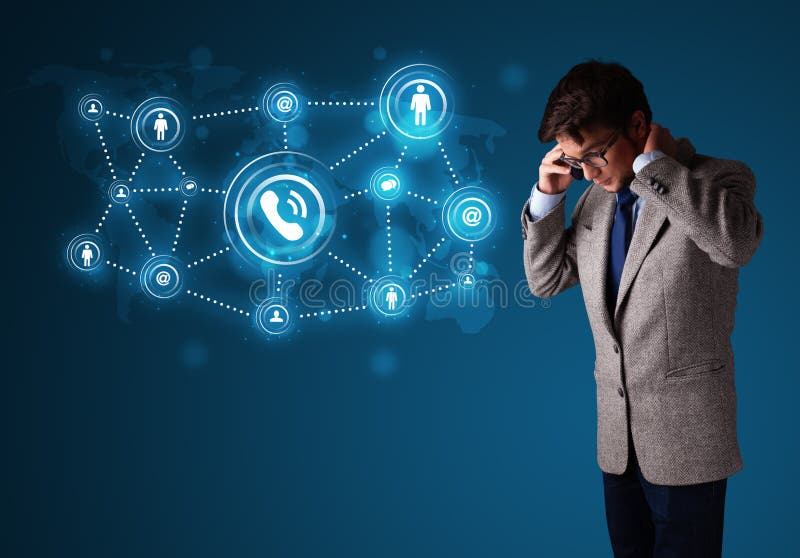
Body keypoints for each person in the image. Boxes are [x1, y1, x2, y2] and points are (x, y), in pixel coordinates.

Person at [520, 60, 763, 557]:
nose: (588, 172)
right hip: (617, 442)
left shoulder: (719, 179)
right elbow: (545, 281)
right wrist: (548, 197)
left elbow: (736, 244)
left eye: (594, 155)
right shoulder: (593, 202)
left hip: (687, 439)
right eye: (574, 162)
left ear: (637, 126)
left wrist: (656, 169)